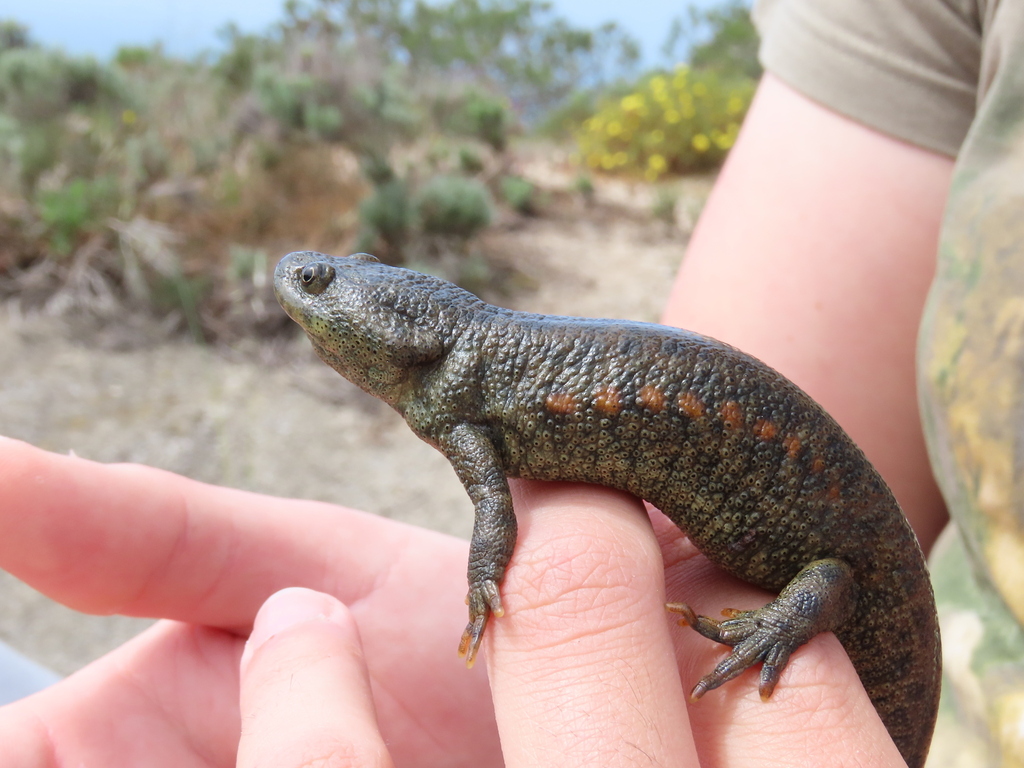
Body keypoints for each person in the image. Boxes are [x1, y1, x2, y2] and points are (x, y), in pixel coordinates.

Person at [1, 0, 1019, 764]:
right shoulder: (463, 377)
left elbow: (498, 505)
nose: (298, 291)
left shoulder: (462, 403)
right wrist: (564, 669)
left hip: (835, 575)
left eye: (321, 287)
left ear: (395, 329)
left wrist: (488, 589)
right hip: (797, 525)